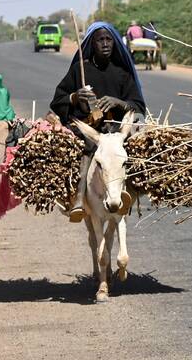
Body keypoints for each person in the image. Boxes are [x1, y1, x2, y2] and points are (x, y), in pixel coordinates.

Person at [49, 22, 147, 221]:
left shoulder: (122, 73)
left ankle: (130, 191)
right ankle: (77, 199)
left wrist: (118, 102)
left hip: (117, 130)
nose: (105, 44)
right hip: (89, 130)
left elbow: (138, 106)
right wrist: (75, 97)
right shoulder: (79, 70)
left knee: (133, 150)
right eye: (99, 40)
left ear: (115, 43)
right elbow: (57, 101)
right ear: (92, 44)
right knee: (86, 149)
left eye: (108, 39)